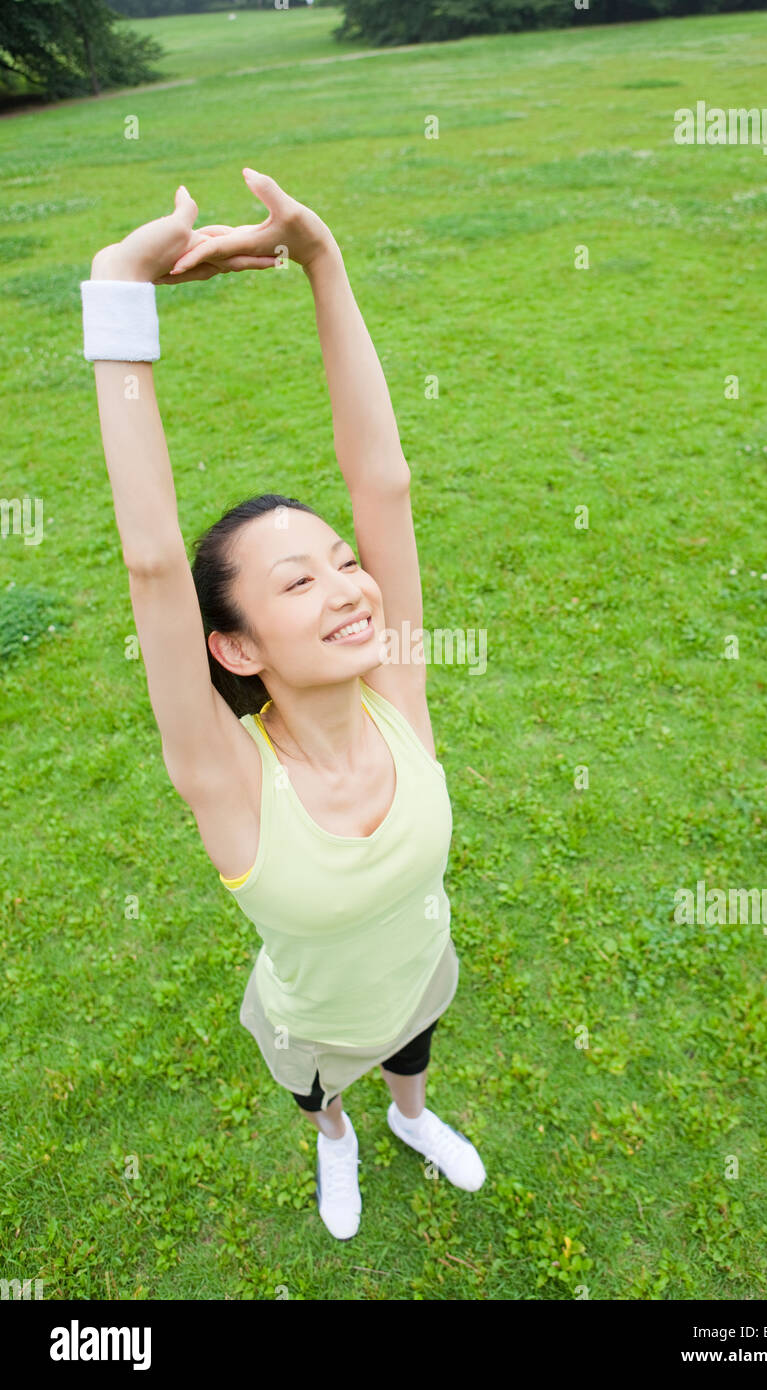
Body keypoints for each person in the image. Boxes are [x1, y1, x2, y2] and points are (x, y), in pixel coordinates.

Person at [81, 170, 485, 1241]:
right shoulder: (229, 782)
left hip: (415, 969)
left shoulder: (396, 681)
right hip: (314, 1022)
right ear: (235, 646)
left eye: (343, 563)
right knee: (324, 1083)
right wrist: (118, 288)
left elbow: (382, 478)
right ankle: (338, 1139)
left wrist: (323, 257)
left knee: (412, 1041)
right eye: (298, 582)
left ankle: (409, 1117)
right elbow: (155, 560)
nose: (352, 587)